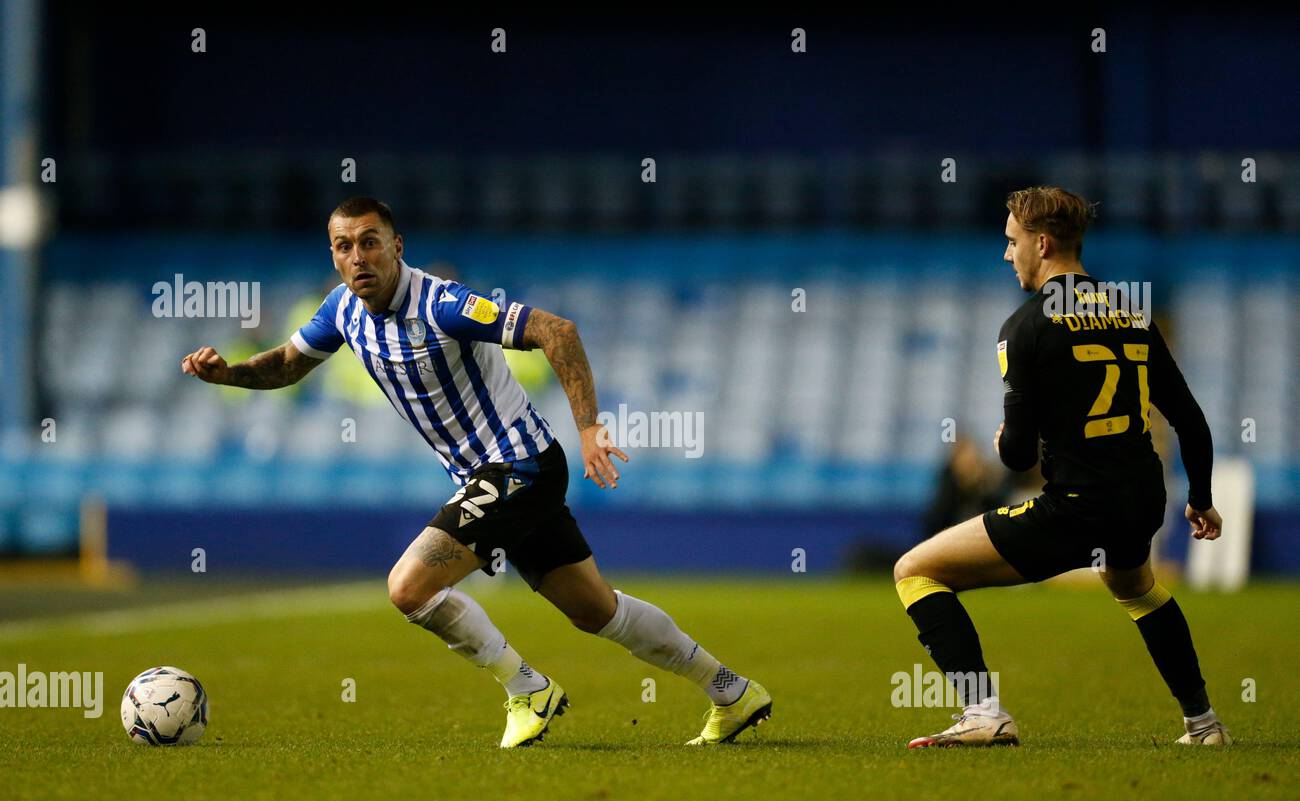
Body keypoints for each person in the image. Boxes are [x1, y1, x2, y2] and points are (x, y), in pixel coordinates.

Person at [181, 197, 770, 748]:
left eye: (370, 242)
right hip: (495, 478)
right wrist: (227, 374)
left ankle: (527, 690)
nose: (357, 257)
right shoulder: (341, 310)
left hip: (519, 466)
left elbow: (556, 330)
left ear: (397, 245)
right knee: (596, 610)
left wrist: (590, 428)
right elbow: (285, 364)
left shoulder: (444, 303)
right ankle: (732, 692)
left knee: (408, 587)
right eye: (342, 246)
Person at [893, 185, 1230, 748]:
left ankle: (983, 714)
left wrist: (1005, 441)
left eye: (1011, 241)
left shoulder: (1023, 328)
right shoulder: (1131, 313)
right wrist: (1201, 496)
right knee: (1136, 587)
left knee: (916, 571)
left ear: (1041, 243)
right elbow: (1190, 420)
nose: (1007, 255)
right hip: (1143, 497)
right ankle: (1204, 723)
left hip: (1078, 507)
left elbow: (1020, 456)